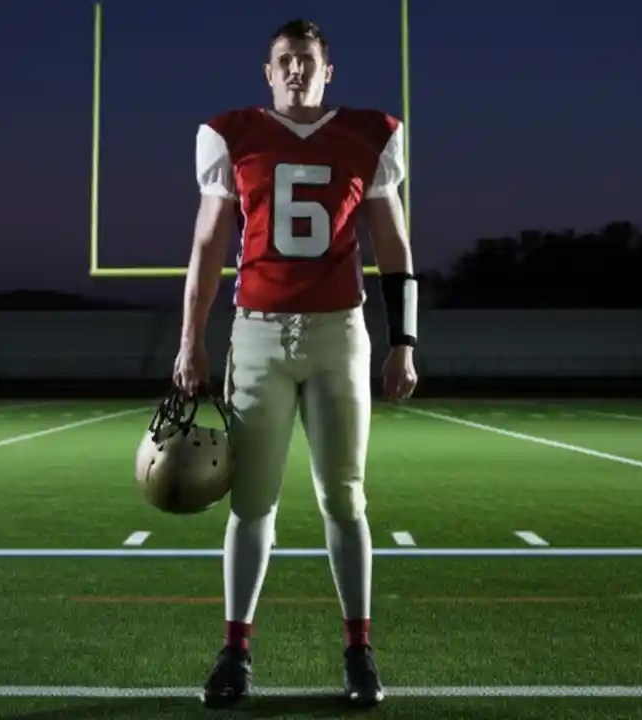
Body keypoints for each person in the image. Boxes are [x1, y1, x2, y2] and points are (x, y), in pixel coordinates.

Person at [172, 18, 418, 708]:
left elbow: (394, 246)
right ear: (268, 71)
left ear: (328, 71)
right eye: (285, 60)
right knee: (252, 505)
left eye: (308, 60)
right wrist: (190, 340)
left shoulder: (370, 133)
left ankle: (360, 652)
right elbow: (206, 248)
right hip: (256, 336)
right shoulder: (232, 134)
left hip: (340, 335)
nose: (297, 71)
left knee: (345, 498)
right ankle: (235, 654)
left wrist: (405, 340)